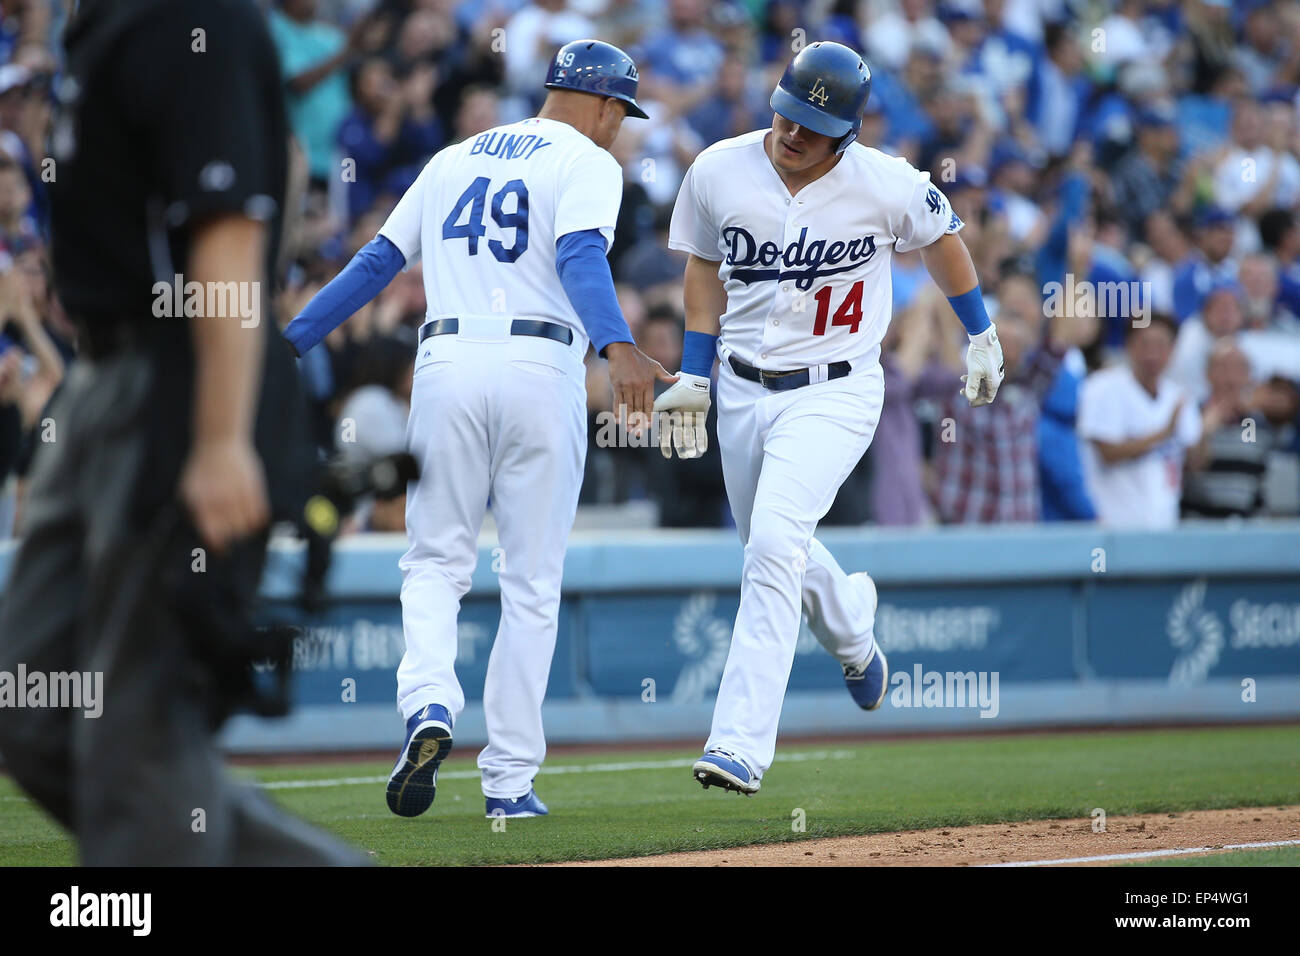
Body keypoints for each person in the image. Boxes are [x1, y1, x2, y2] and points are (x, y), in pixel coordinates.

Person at [0, 0, 363, 865]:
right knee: (32, 705)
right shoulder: (101, 21)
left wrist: (220, 438)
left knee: (136, 735)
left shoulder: (194, 15)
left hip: (179, 379)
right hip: (100, 376)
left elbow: (229, 231)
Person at [283, 39, 669, 819]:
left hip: (448, 362)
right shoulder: (588, 162)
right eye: (621, 113)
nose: (620, 128)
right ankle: (509, 783)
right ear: (601, 104)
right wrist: (617, 344)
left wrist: (287, 342)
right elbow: (583, 256)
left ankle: (428, 706)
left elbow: (374, 265)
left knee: (432, 561)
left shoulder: (452, 157)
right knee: (531, 581)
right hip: (540, 365)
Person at [652, 41, 1005, 795]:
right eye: (786, 114)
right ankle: (853, 629)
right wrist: (692, 367)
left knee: (774, 544)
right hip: (743, 388)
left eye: (812, 125)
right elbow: (703, 268)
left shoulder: (885, 184)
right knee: (779, 547)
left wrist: (981, 333)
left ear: (848, 131)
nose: (791, 134)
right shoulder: (718, 168)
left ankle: (739, 744)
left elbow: (945, 241)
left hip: (837, 388)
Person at [1077, 314, 1203, 529]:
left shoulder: (1179, 396)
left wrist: (1206, 429)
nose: (1152, 354)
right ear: (1129, 345)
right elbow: (1107, 454)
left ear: (1173, 349)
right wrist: (1163, 433)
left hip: (1165, 523)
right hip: (1111, 526)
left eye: (1161, 345)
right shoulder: (1103, 386)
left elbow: (1196, 463)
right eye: (1144, 343)